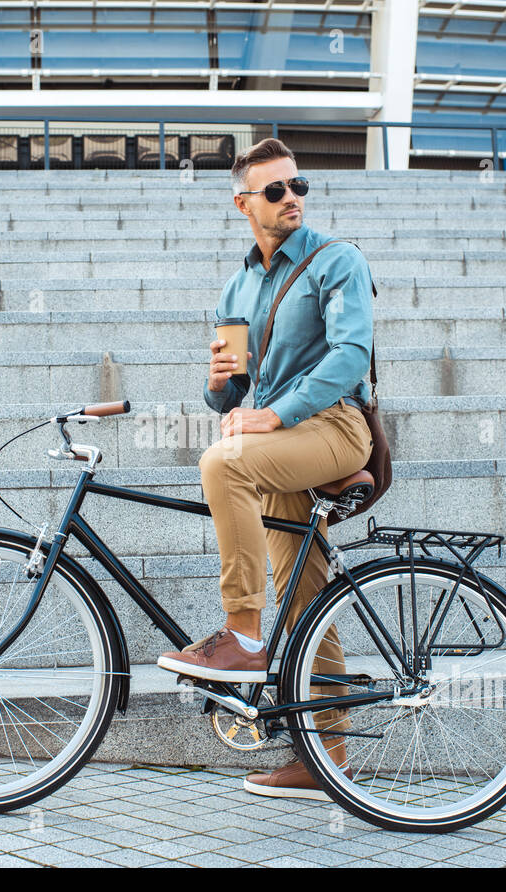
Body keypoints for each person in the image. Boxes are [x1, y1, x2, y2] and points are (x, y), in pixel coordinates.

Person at [156, 137, 376, 800]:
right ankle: (325, 753)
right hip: (280, 444)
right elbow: (226, 393)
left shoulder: (337, 261)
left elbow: (350, 354)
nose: (292, 199)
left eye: (298, 185)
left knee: (222, 462)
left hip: (333, 429)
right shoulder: (238, 284)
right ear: (243, 202)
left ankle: (244, 633)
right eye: (275, 190)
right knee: (308, 600)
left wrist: (273, 416)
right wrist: (221, 382)